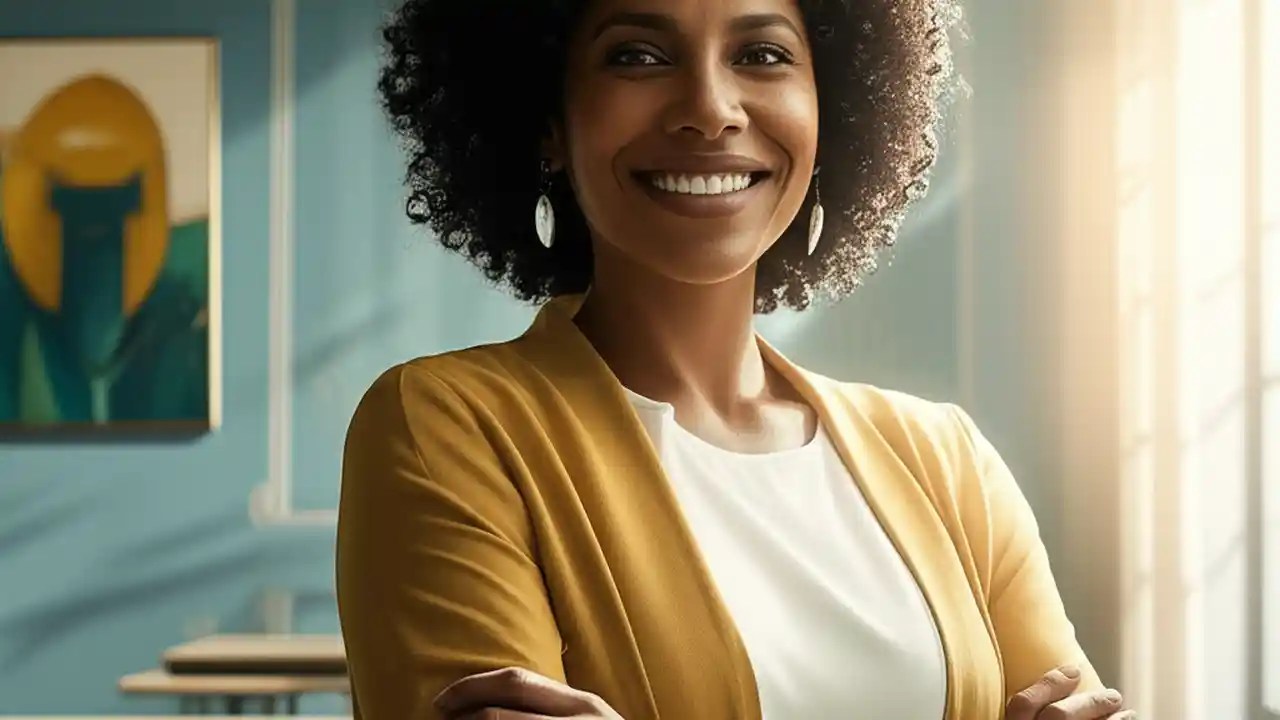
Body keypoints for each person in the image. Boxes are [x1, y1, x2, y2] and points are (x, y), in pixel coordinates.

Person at [336, 0, 1133, 718]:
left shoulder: (948, 461)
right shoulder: (445, 428)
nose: (710, 111)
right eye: (638, 56)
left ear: (834, 110)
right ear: (549, 117)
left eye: (762, 54)